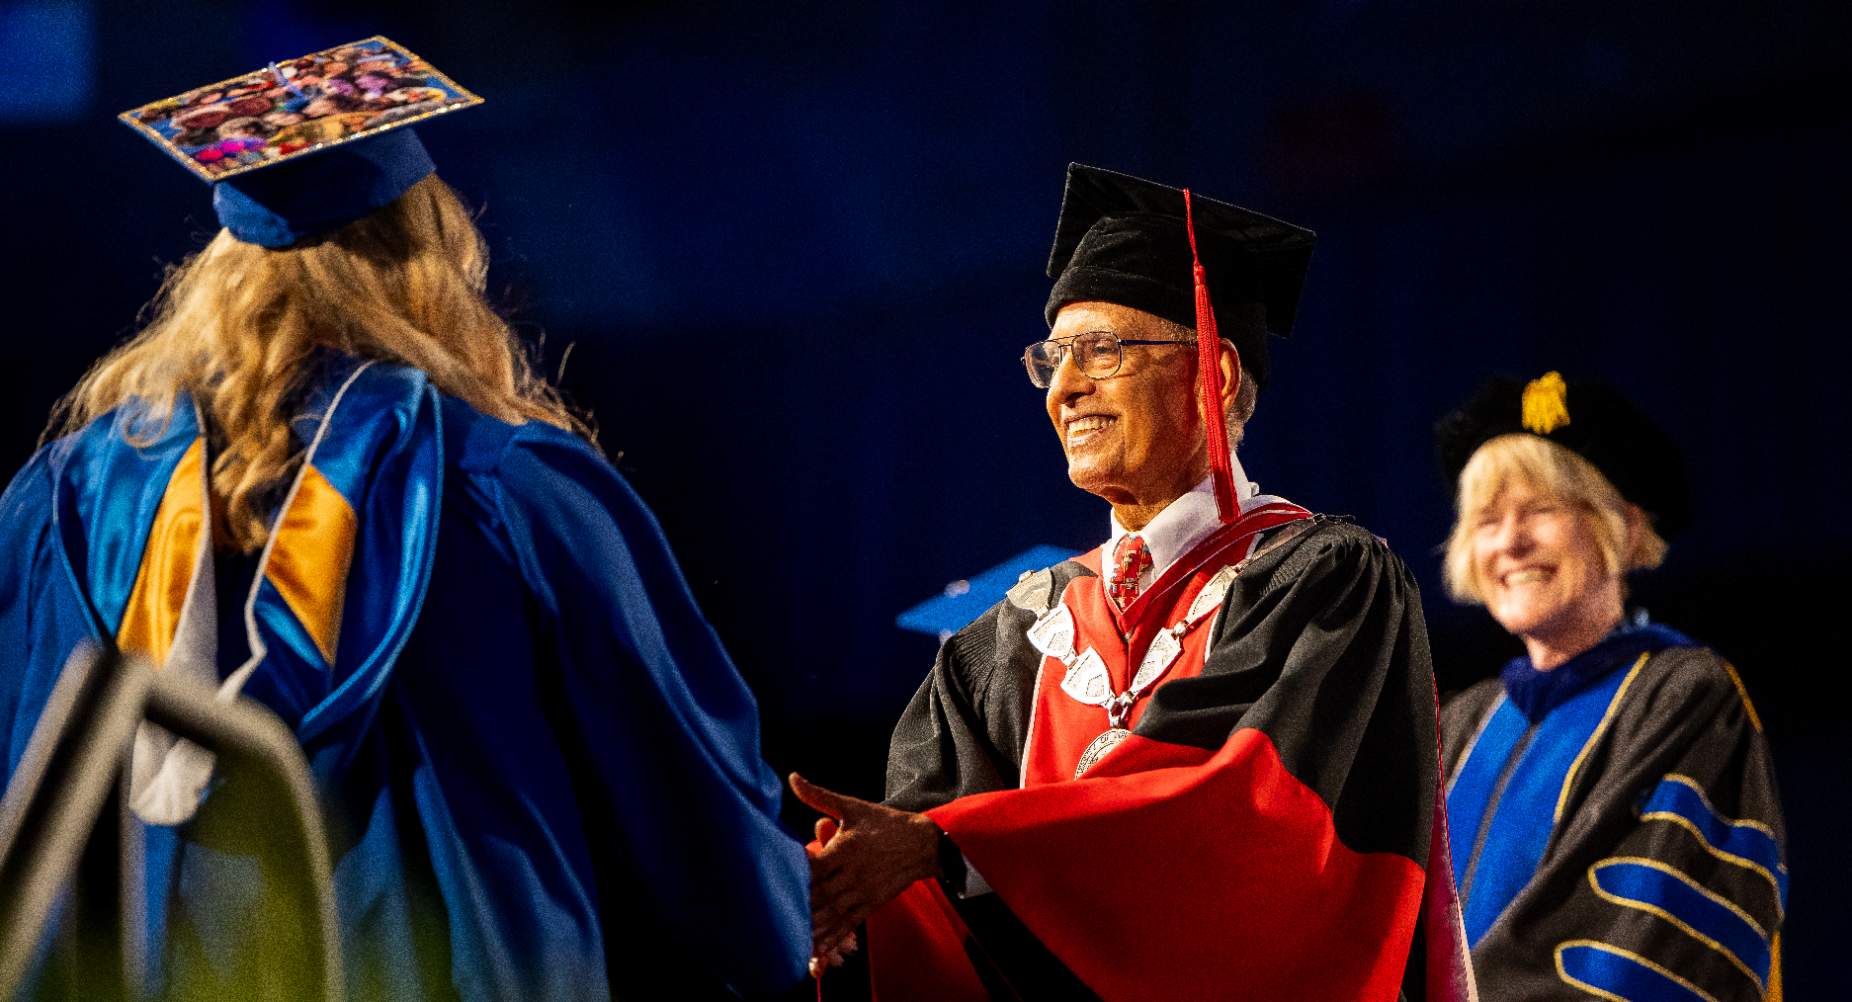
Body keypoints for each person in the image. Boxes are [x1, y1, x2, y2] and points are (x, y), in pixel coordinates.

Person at [0, 38, 807, 1000]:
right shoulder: (507, 488)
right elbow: (686, 797)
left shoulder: (63, 500)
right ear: (427, 257)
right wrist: (785, 908)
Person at [790, 163, 1473, 1000]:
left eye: (1103, 351)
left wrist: (948, 843)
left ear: (1213, 376)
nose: (1065, 389)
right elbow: (932, 889)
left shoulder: (1325, 584)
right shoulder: (1005, 645)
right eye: (1052, 359)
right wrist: (857, 897)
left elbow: (1245, 815)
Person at [1435, 372, 1786, 1001]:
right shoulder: (1462, 723)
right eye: (1488, 520)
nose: (1510, 542)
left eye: (1541, 510)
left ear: (1619, 525)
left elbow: (1652, 943)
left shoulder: (1684, 698)